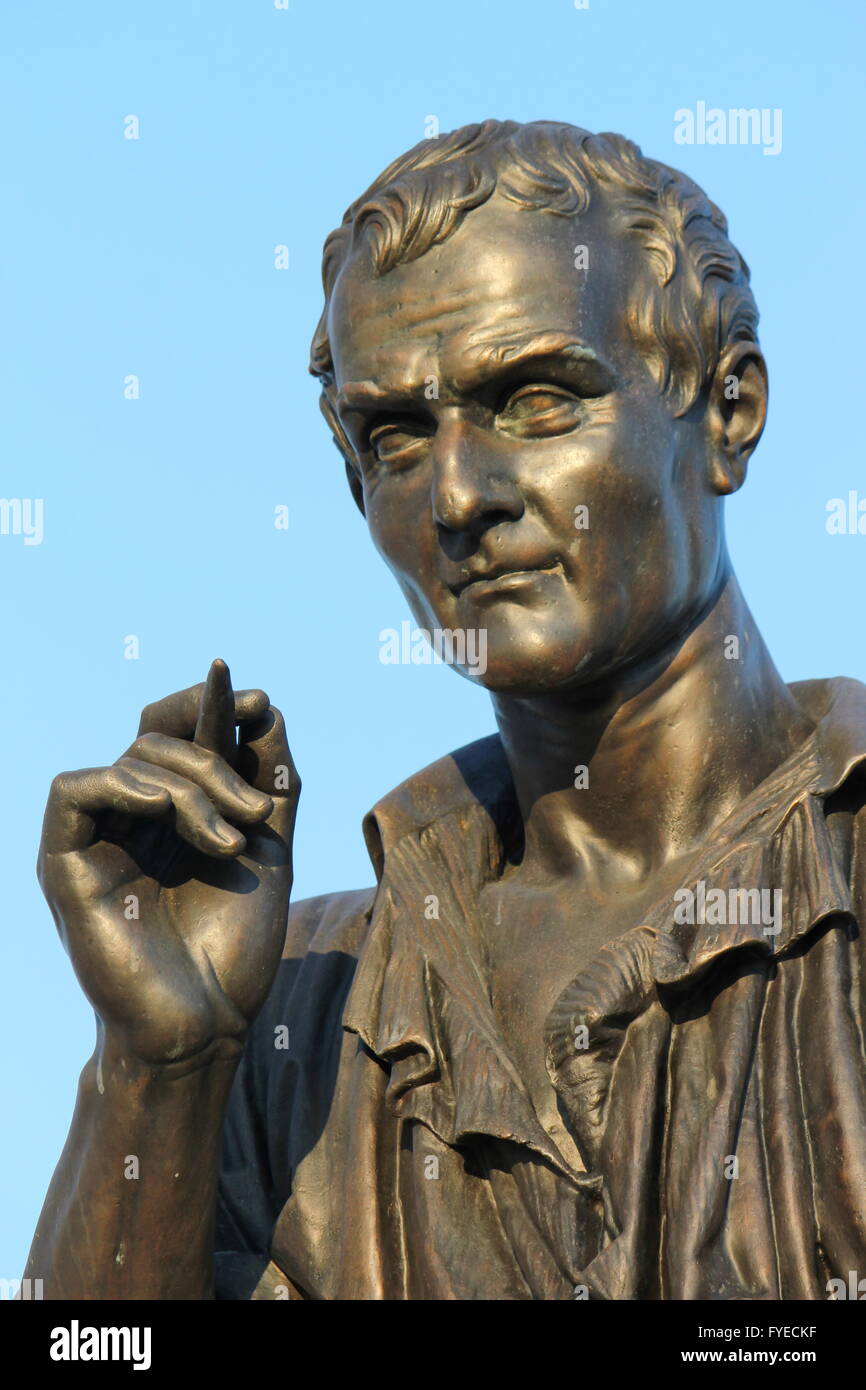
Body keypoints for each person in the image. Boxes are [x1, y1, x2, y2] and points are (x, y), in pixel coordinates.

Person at [25, 120, 866, 1300]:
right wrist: (162, 1066)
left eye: (533, 398)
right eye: (397, 436)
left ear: (725, 409)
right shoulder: (302, 1001)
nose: (459, 494)